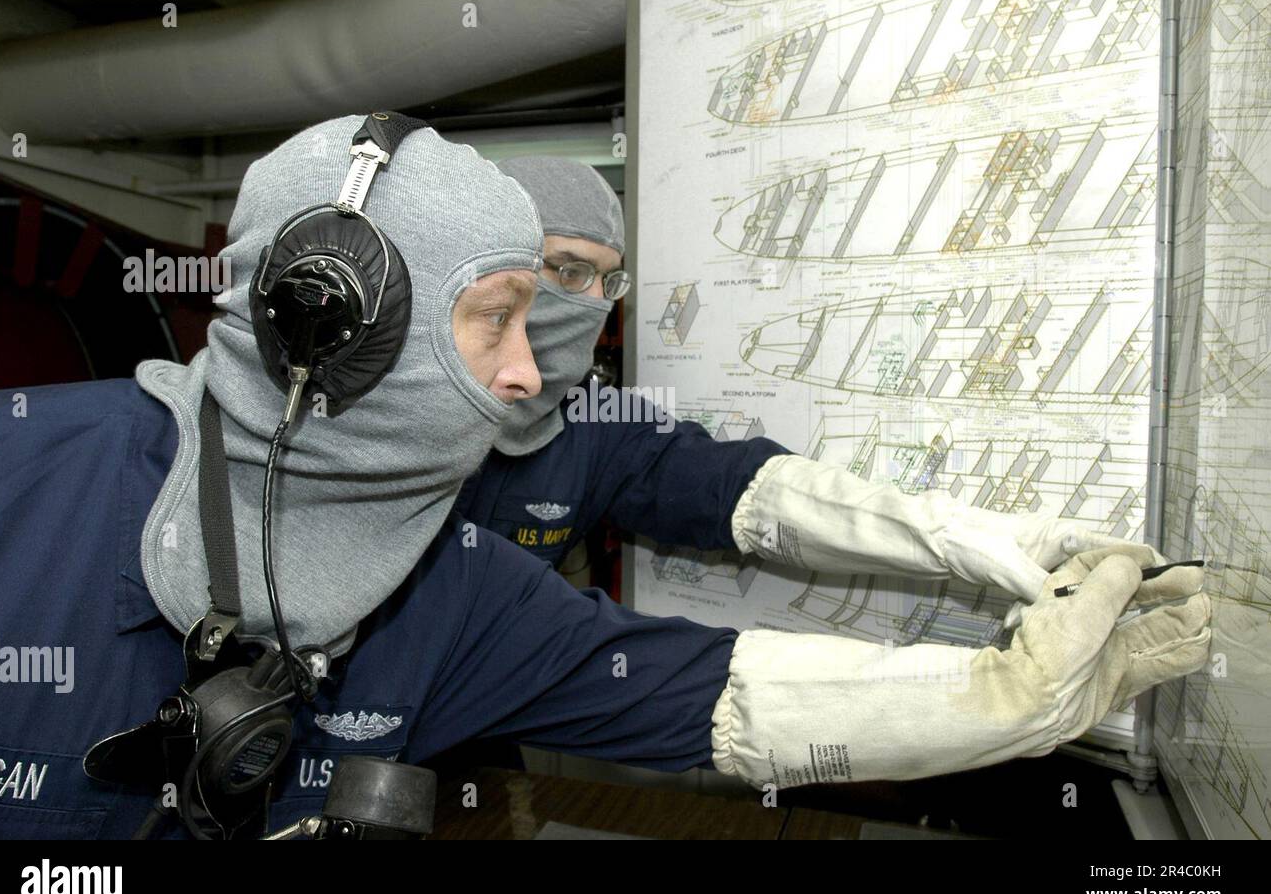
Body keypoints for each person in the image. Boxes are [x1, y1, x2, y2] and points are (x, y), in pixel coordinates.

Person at [0, 119, 1210, 840]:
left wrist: (1007, 693)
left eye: (572, 297)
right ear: (329, 322)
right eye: (504, 311)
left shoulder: (460, 597)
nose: (533, 367)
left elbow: (720, 697)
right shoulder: (17, 467)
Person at [461, 156, 1162, 616]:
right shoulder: (388, 416)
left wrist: (955, 534)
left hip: (481, 742)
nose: (591, 303)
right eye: (569, 270)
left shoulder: (595, 425)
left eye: (607, 282)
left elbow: (741, 489)